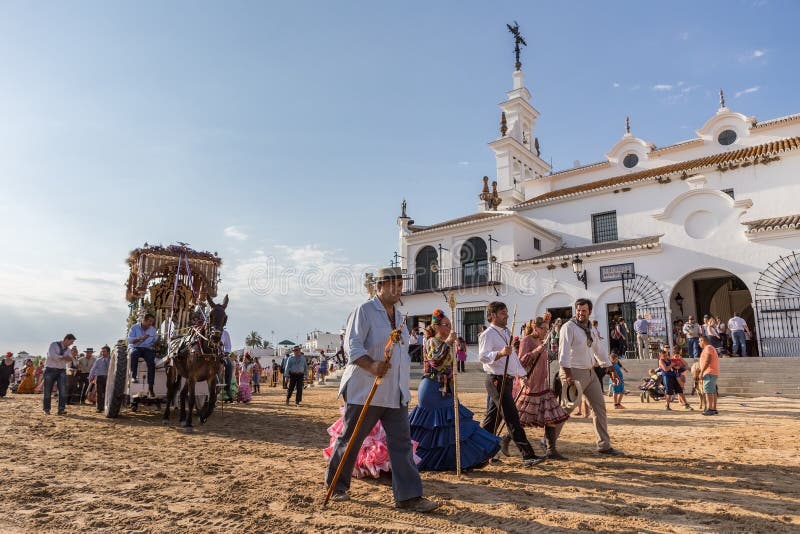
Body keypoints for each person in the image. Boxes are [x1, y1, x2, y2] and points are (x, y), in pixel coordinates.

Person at [325, 267, 438, 513]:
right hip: (365, 389)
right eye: (392, 285)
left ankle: (409, 496)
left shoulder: (401, 318)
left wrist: (403, 387)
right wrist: (372, 365)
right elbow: (353, 347)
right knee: (351, 439)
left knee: (402, 444)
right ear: (379, 287)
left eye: (400, 285)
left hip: (395, 392)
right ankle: (336, 486)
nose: (397, 290)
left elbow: (401, 354)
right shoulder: (364, 311)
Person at [408, 309, 500, 471]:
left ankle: (462, 460)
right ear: (436, 327)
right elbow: (436, 362)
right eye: (446, 325)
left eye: (450, 325)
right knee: (436, 427)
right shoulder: (431, 341)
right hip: (432, 388)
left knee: (453, 425)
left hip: (446, 388)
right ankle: (423, 459)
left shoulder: (445, 342)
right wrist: (448, 343)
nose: (450, 328)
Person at [479, 301, 545, 468]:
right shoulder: (487, 334)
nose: (506, 315)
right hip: (496, 380)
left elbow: (513, 358)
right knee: (512, 417)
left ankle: (480, 452)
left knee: (492, 421)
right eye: (503, 313)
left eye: (506, 312)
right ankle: (528, 455)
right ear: (492, 315)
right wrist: (500, 353)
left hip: (506, 380)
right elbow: (483, 356)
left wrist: (522, 375)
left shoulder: (507, 331)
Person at [556, 299, 622, 456]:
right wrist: (568, 375)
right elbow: (563, 353)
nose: (580, 313)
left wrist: (610, 368)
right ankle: (547, 441)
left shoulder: (591, 328)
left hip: (590, 372)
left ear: (590, 312)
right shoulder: (568, 327)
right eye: (578, 310)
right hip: (573, 372)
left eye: (584, 310)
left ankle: (604, 445)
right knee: (566, 409)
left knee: (599, 408)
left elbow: (598, 349)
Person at [515, 318, 569, 459]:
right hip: (531, 385)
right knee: (523, 417)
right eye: (544, 328)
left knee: (551, 416)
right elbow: (520, 362)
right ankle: (506, 438)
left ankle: (551, 450)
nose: (546, 331)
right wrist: (536, 351)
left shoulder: (541, 341)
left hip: (543, 384)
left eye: (547, 328)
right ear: (535, 328)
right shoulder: (526, 340)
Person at [43, 334, 77, 415]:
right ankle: (46, 409)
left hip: (62, 370)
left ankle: (61, 409)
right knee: (47, 390)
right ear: (67, 339)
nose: (72, 343)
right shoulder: (54, 345)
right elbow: (52, 356)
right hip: (50, 369)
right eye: (71, 341)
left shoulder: (68, 349)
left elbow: (70, 359)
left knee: (63, 390)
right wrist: (63, 357)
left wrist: (63, 357)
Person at [128, 313, 158, 397]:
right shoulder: (134, 327)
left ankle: (150, 387)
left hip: (147, 349)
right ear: (144, 320)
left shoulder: (153, 330)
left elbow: (155, 340)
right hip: (136, 347)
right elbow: (130, 340)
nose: (151, 323)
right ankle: (133, 376)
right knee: (134, 354)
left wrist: (156, 340)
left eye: (152, 322)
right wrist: (140, 338)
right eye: (149, 321)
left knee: (151, 362)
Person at [699, 335, 720, 415]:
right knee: (712, 391)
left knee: (708, 391)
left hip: (709, 372)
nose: (699, 343)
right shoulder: (710, 348)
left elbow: (708, 360)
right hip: (712, 372)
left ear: (703, 341)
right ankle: (713, 408)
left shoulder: (708, 348)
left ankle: (710, 408)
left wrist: (702, 372)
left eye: (699, 341)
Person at [88, 345, 111, 413]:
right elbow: (93, 369)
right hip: (99, 378)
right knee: (99, 393)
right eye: (102, 351)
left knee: (106, 393)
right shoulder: (98, 360)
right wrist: (90, 377)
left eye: (104, 351)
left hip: (109, 378)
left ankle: (106, 406)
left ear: (108, 352)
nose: (102, 353)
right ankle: (99, 408)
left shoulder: (112, 360)